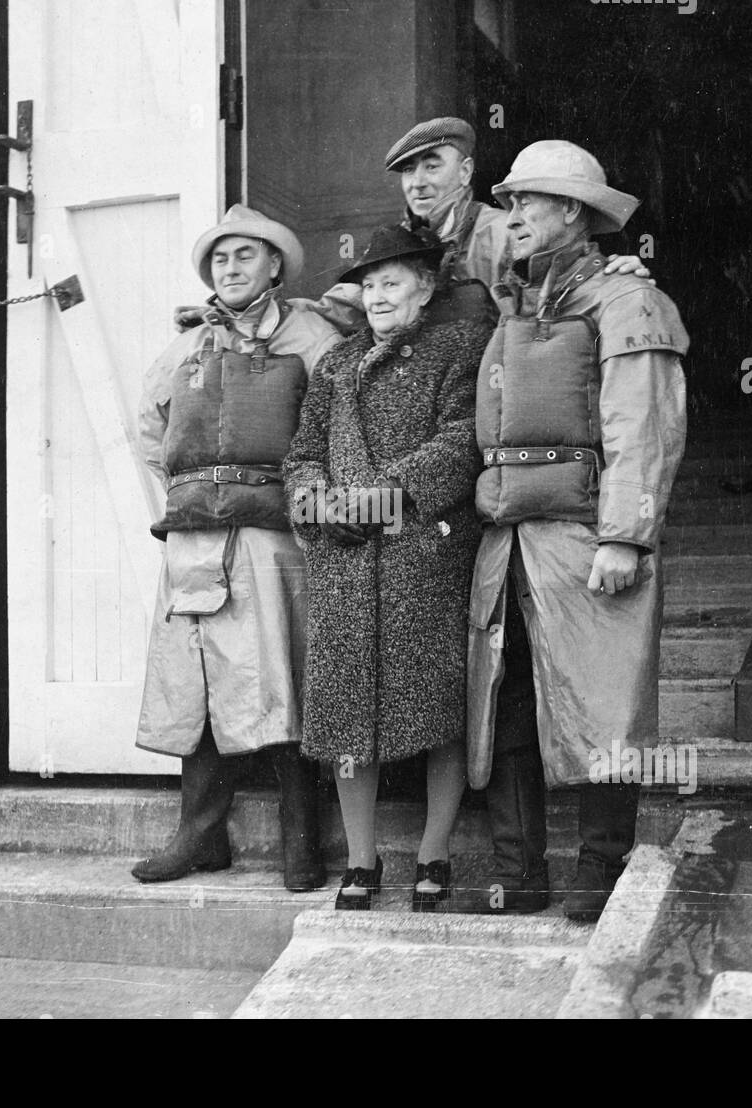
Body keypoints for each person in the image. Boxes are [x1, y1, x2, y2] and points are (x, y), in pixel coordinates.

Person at [466, 141, 689, 922]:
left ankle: (602, 866)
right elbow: (443, 236)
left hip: (585, 533)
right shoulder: (515, 301)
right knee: (507, 702)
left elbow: (644, 424)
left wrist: (625, 536)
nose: (513, 214)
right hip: (507, 539)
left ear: (573, 213)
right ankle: (517, 872)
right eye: (511, 201)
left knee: (603, 702)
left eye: (530, 200)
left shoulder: (629, 304)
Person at [283, 225, 494, 911]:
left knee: (438, 710)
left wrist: (377, 498)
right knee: (347, 718)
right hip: (344, 562)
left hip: (422, 560)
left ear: (426, 288)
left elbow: (463, 443)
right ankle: (362, 859)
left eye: (392, 282)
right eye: (368, 285)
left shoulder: (457, 350)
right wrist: (315, 503)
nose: (377, 296)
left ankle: (434, 853)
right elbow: (302, 455)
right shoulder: (337, 364)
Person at [133, 204, 342, 893]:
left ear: (275, 265)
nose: (231, 269)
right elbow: (148, 426)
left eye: (245, 256)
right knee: (194, 686)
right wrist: (187, 494)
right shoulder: (189, 346)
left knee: (282, 681)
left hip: (274, 538)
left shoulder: (311, 335)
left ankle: (301, 838)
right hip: (197, 539)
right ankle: (199, 836)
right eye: (220, 260)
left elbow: (340, 423)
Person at [176, 117, 651, 335]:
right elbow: (333, 311)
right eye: (409, 171)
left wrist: (613, 269)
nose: (418, 182)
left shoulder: (504, 231)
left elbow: (561, 282)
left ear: (465, 173)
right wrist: (242, 315)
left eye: (432, 166)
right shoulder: (393, 246)